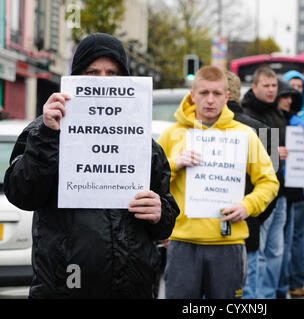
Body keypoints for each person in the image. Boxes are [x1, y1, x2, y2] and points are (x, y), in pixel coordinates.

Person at [3, 33, 180, 299]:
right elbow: (22, 194)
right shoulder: (44, 131)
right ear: (76, 78)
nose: (103, 81)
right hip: (66, 287)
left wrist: (160, 211)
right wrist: (49, 136)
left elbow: (164, 218)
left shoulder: (143, 141)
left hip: (131, 288)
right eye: (92, 72)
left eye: (113, 73)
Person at [158, 66, 279, 299]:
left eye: (216, 93)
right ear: (192, 95)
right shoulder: (172, 135)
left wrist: (248, 206)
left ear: (227, 97)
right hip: (182, 242)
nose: (210, 100)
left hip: (228, 242)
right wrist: (174, 164)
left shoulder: (245, 135)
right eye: (204, 93)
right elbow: (149, 182)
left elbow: (269, 182)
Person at [224, 71, 275, 299]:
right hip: (248, 229)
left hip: (201, 234)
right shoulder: (264, 130)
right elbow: (275, 183)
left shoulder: (195, 130)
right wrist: (254, 217)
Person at [241, 66, 286, 299]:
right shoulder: (251, 116)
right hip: (260, 196)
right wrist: (276, 155)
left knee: (276, 250)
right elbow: (266, 162)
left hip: (280, 191)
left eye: (274, 86)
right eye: (266, 85)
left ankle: (268, 296)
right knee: (258, 253)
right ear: (254, 87)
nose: (271, 90)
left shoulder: (276, 113)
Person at [275, 80, 304, 299]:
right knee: (289, 239)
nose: (288, 100)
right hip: (289, 188)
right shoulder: (297, 123)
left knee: (287, 240)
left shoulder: (299, 123)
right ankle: (290, 283)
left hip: (294, 187)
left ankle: (288, 283)